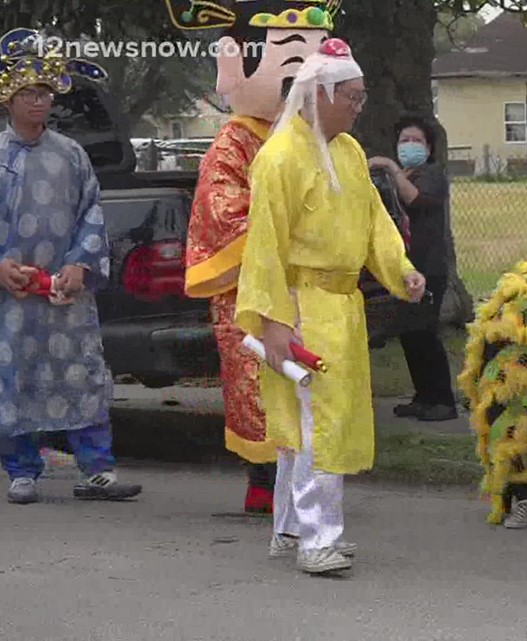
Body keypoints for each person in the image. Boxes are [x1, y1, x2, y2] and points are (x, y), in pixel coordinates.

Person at [234, 38, 426, 575]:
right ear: (319, 93)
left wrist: (400, 269)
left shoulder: (349, 152)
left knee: (311, 422)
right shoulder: (280, 157)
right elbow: (264, 244)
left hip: (342, 305)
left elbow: (374, 223)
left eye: (363, 97)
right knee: (319, 424)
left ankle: (292, 528)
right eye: (353, 96)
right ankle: (318, 538)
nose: (360, 106)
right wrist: (273, 322)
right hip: (299, 304)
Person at [177, 0, 337, 515]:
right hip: (250, 284)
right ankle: (264, 479)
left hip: (308, 285)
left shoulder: (318, 140)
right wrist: (283, 240)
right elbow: (220, 208)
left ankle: (312, 474)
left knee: (310, 379)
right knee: (258, 379)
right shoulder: (233, 141)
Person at [0, 28, 141, 504]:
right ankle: (21, 470)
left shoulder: (71, 154)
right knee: (13, 376)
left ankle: (97, 470)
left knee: (81, 374)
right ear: (9, 99)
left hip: (67, 294)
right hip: (10, 297)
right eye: (29, 94)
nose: (39, 103)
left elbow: (92, 213)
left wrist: (81, 265)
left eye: (44, 94)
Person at [368, 115, 459, 422]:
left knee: (426, 332)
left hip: (429, 266)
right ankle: (423, 397)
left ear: (429, 147)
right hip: (404, 267)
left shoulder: (432, 174)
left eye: (416, 141)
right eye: (403, 141)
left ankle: (443, 400)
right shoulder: (399, 176)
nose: (408, 146)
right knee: (409, 334)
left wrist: (392, 169)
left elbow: (415, 200)